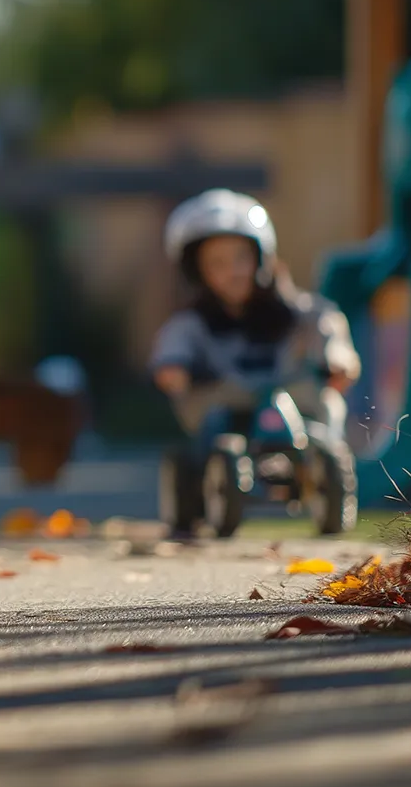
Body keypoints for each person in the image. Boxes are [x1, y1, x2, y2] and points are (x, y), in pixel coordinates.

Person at [150, 189, 360, 531]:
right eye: (217, 264)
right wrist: (173, 369)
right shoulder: (193, 324)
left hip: (291, 400)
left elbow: (325, 323)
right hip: (227, 401)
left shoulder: (295, 312)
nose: (232, 272)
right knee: (209, 426)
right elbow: (174, 345)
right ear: (197, 272)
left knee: (325, 414)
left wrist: (337, 357)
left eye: (240, 259)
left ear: (261, 259)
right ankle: (197, 492)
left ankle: (323, 474)